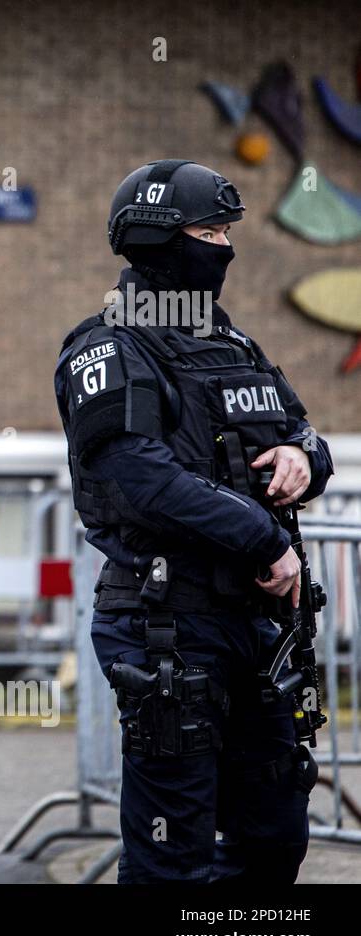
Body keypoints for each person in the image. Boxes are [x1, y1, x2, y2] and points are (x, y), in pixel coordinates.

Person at [54, 161, 333, 883]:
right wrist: (263, 536)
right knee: (172, 856)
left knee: (273, 839)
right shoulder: (110, 346)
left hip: (257, 628)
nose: (223, 247)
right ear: (156, 240)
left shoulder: (234, 345)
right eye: (207, 231)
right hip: (167, 621)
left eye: (224, 231)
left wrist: (301, 457)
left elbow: (305, 433)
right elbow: (139, 477)